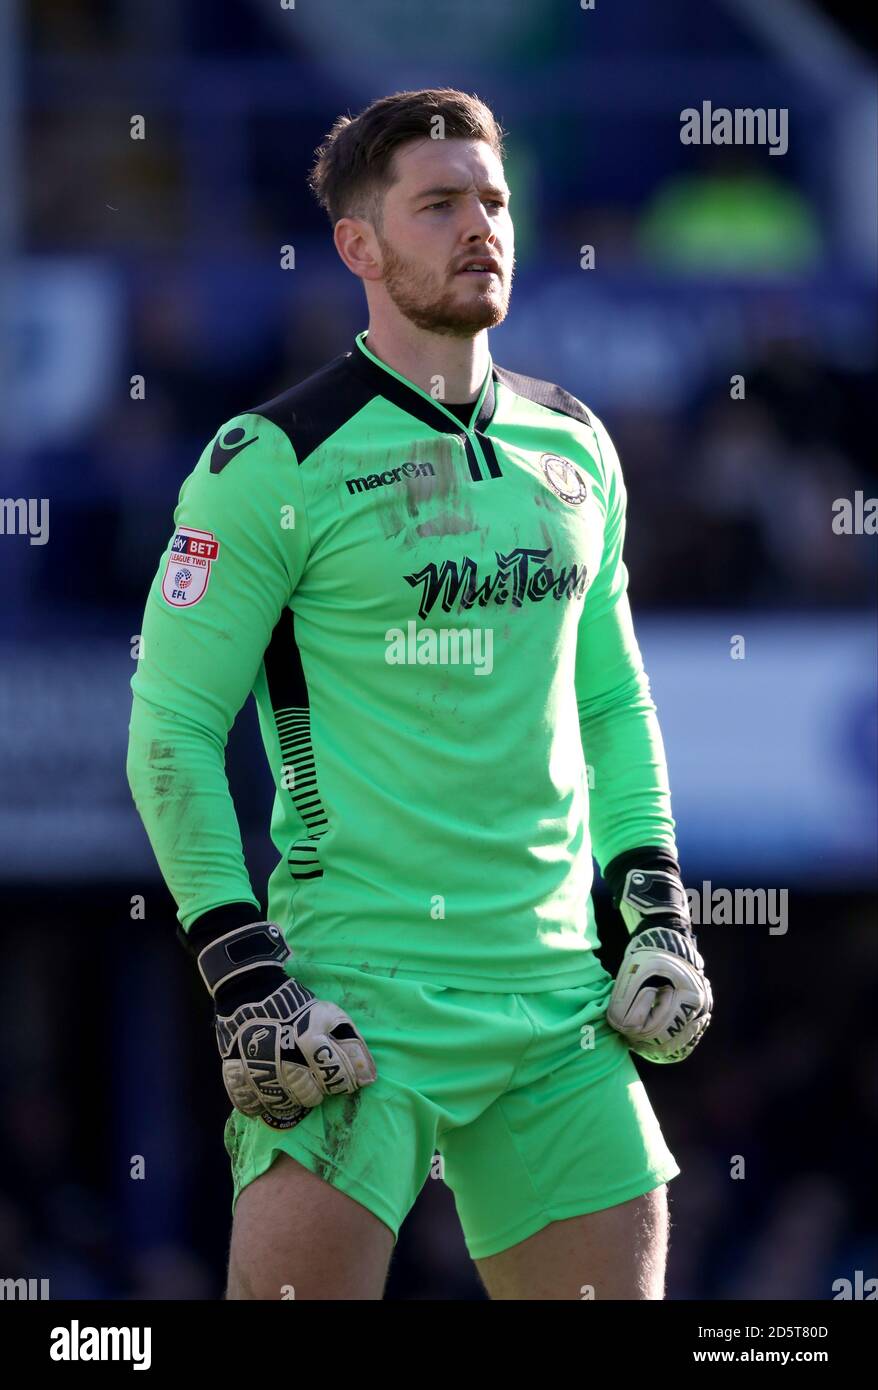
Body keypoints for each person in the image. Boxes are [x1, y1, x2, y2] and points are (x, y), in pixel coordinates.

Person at [126, 87, 712, 1301]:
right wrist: (245, 975)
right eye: (438, 205)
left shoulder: (577, 445)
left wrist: (652, 905)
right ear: (359, 245)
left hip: (559, 1001)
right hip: (354, 1001)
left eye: (492, 201)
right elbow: (171, 733)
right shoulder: (268, 459)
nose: (478, 227)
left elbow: (610, 703)